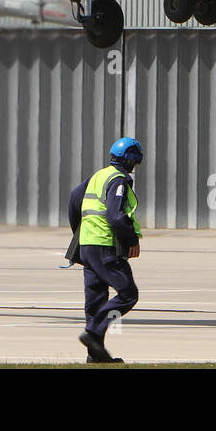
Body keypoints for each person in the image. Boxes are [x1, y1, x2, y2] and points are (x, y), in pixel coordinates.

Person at [66, 137, 143, 363]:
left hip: (88, 245)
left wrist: (79, 232)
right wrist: (130, 240)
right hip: (104, 245)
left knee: (96, 298)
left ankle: (95, 355)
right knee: (128, 295)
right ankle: (93, 332)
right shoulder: (119, 180)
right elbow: (116, 217)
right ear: (132, 160)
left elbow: (74, 198)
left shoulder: (99, 175)